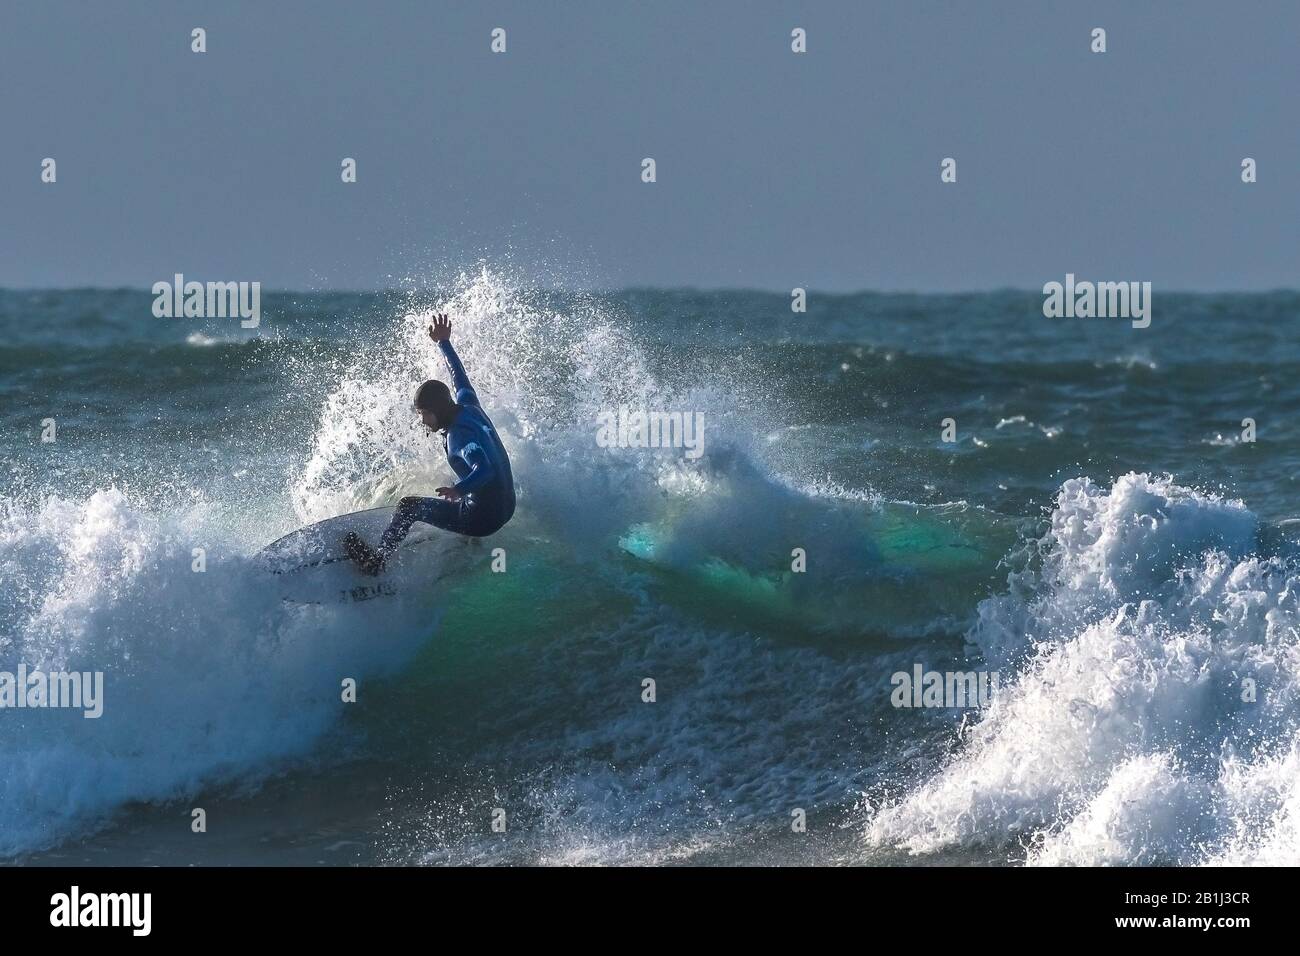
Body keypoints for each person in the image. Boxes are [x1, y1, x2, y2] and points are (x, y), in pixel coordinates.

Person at [343, 314, 516, 575]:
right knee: (456, 478)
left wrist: (459, 489)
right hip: (507, 507)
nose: (422, 420)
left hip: (483, 520)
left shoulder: (459, 437)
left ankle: (377, 561)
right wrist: (444, 342)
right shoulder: (468, 404)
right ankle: (466, 532)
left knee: (408, 506)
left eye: (423, 413)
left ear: (436, 410)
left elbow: (485, 470)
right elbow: (459, 375)